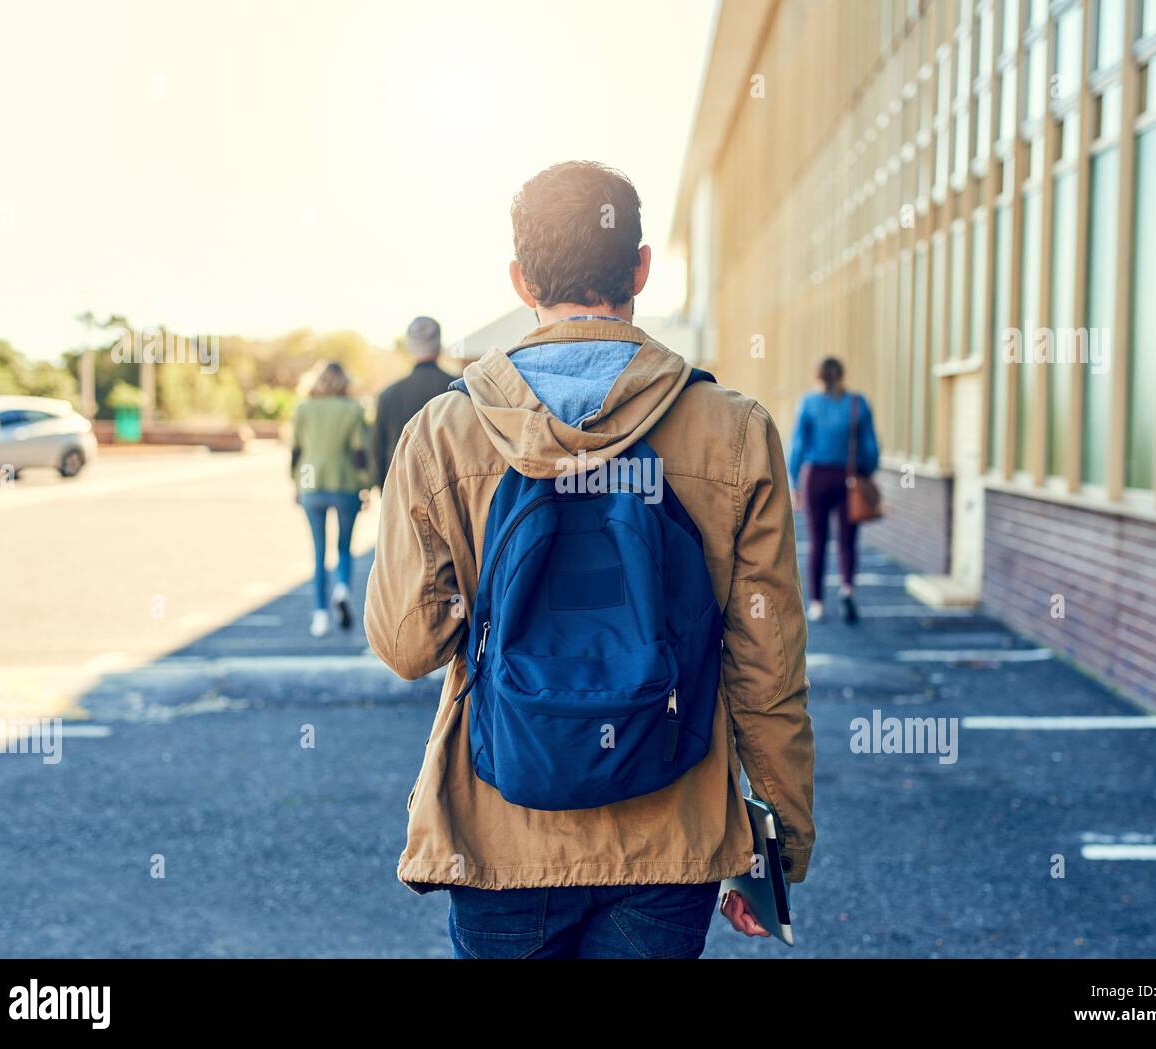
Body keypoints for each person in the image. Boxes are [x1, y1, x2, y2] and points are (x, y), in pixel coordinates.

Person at [365, 161, 814, 959]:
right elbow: (766, 664)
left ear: (520, 278)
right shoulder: (735, 429)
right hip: (670, 833)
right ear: (639, 268)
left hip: (501, 833)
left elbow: (408, 644)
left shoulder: (446, 430)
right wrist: (775, 846)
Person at [788, 357, 880, 625]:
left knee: (818, 541)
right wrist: (866, 471)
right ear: (842, 376)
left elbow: (797, 447)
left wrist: (794, 481)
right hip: (847, 477)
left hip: (816, 477)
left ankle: (816, 603)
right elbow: (870, 448)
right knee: (848, 539)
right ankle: (847, 588)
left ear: (818, 377)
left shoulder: (808, 404)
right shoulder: (857, 404)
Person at [291, 361, 371, 638]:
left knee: (319, 551)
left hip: (311, 483)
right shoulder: (354, 409)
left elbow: (297, 451)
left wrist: (295, 483)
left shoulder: (303, 409)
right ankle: (342, 588)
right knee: (344, 547)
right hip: (345, 483)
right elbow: (360, 452)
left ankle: (320, 617)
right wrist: (365, 485)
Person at [371, 316, 455, 488]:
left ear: (410, 347)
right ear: (439, 345)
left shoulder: (389, 394)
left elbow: (377, 447)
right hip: (450, 487)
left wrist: (382, 487)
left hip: (401, 487)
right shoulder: (459, 388)